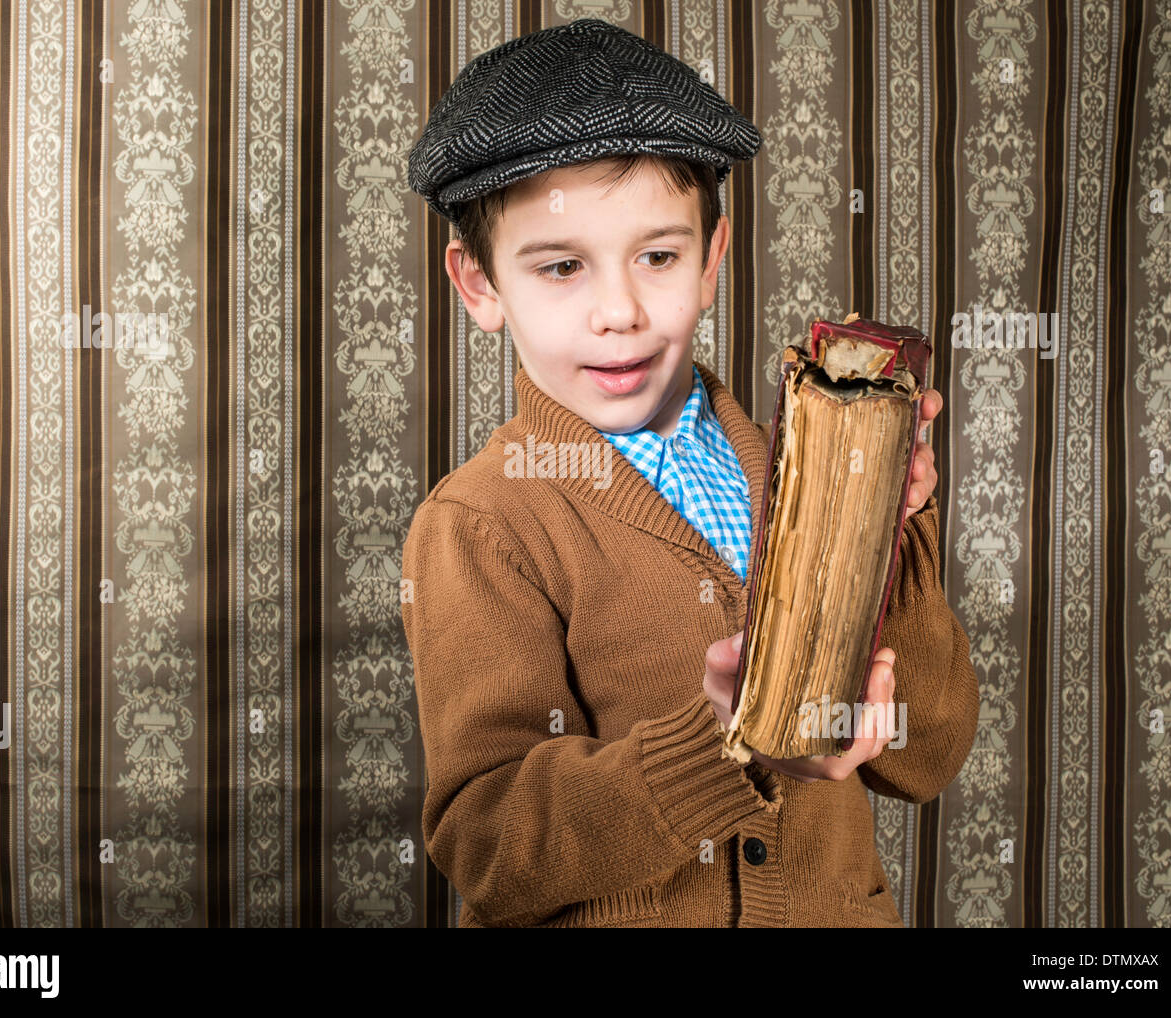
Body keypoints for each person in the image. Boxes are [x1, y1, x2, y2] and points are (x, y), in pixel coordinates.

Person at [402, 17, 979, 927]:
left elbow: (926, 757)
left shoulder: (808, 473)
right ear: (479, 287)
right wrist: (728, 744)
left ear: (711, 261)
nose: (620, 311)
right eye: (561, 267)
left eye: (658, 257)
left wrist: (891, 537)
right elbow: (491, 843)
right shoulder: (481, 522)